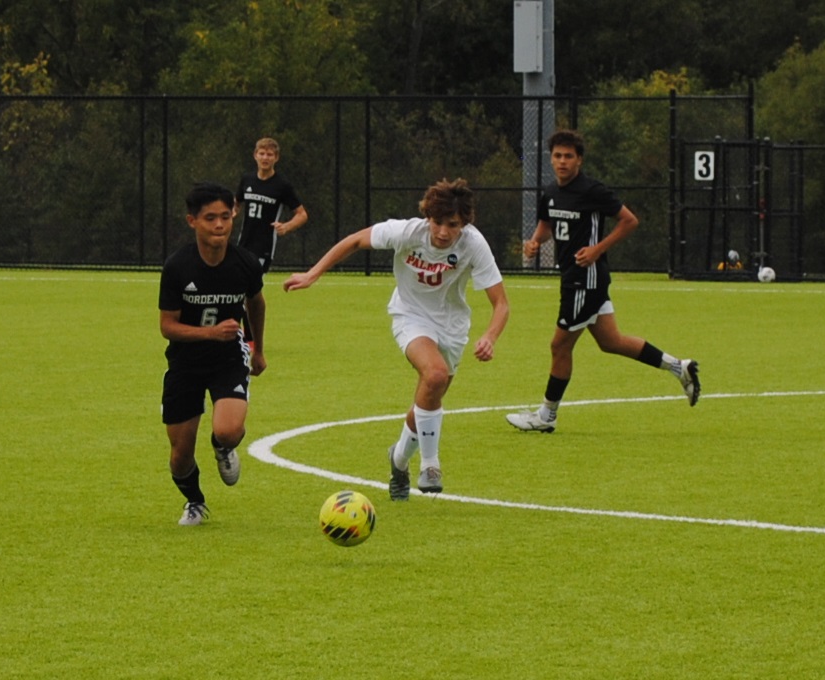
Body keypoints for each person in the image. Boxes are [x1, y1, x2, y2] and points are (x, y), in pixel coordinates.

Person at [284, 178, 509, 500]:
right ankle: (430, 465)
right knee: (434, 374)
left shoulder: (473, 244)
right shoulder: (407, 232)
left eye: (453, 224)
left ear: (465, 223)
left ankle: (398, 460)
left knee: (428, 399)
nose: (443, 232)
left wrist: (490, 336)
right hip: (410, 316)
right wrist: (312, 273)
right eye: (437, 222)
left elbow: (501, 303)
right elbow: (355, 240)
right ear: (427, 217)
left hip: (453, 328)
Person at [506, 130, 700, 434]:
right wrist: (533, 242)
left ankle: (546, 416)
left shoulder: (592, 190)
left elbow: (629, 220)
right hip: (573, 278)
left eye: (569, 156)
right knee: (611, 341)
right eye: (557, 156)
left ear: (579, 160)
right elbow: (546, 224)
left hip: (586, 280)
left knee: (559, 346)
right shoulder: (550, 191)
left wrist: (598, 249)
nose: (562, 161)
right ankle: (679, 367)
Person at [159, 182, 267, 526]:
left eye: (225, 216)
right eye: (210, 218)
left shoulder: (245, 263)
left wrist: (258, 348)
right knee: (179, 457)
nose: (219, 225)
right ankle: (195, 500)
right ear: (193, 221)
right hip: (185, 363)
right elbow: (167, 326)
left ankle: (223, 447)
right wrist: (209, 333)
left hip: (228, 358)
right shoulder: (177, 267)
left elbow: (256, 303)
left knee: (229, 429)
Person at [235, 137, 308, 344]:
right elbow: (236, 204)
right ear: (255, 155)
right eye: (261, 153)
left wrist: (286, 226)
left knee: (248, 291)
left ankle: (249, 339)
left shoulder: (281, 185)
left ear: (276, 158)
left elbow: (302, 214)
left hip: (264, 247)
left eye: (269, 154)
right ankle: (241, 335)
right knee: (237, 289)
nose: (265, 158)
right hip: (243, 244)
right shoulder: (247, 180)